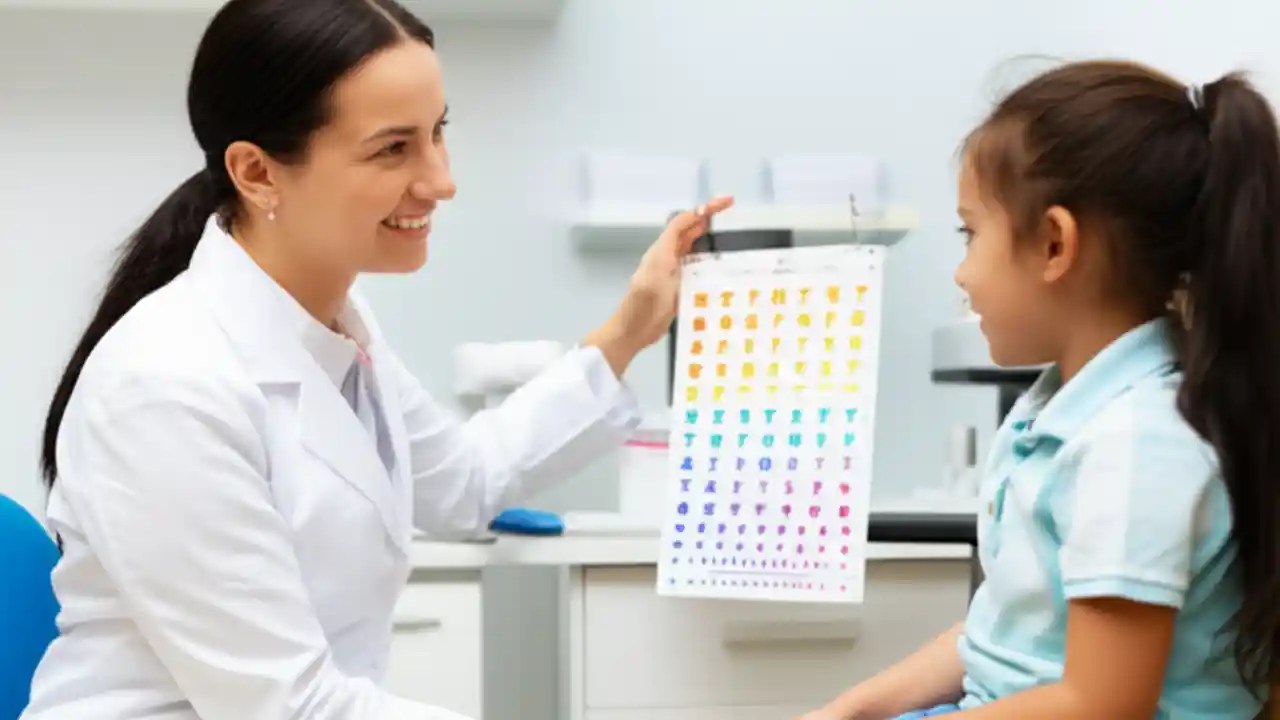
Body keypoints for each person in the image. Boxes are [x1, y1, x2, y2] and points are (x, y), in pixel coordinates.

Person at [21, 1, 732, 718]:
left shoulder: (336, 330)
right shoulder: (166, 385)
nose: (441, 180)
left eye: (437, 133)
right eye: (393, 149)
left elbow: (464, 483)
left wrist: (631, 328)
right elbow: (293, 708)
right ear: (257, 172)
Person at [801, 59, 1280, 719]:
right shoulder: (1065, 412)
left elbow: (1100, 703)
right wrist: (851, 710)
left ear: (1054, 243)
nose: (962, 274)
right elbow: (997, 641)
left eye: (970, 234)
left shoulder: (1136, 446)